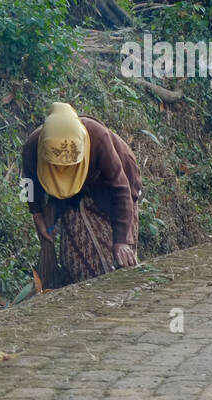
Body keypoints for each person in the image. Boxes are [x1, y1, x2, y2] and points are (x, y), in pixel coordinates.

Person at [21, 102, 142, 288]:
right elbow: (27, 182)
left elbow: (121, 188)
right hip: (72, 200)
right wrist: (36, 214)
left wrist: (122, 241)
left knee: (119, 255)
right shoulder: (32, 147)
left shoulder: (98, 138)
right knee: (77, 260)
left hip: (109, 190)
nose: (64, 171)